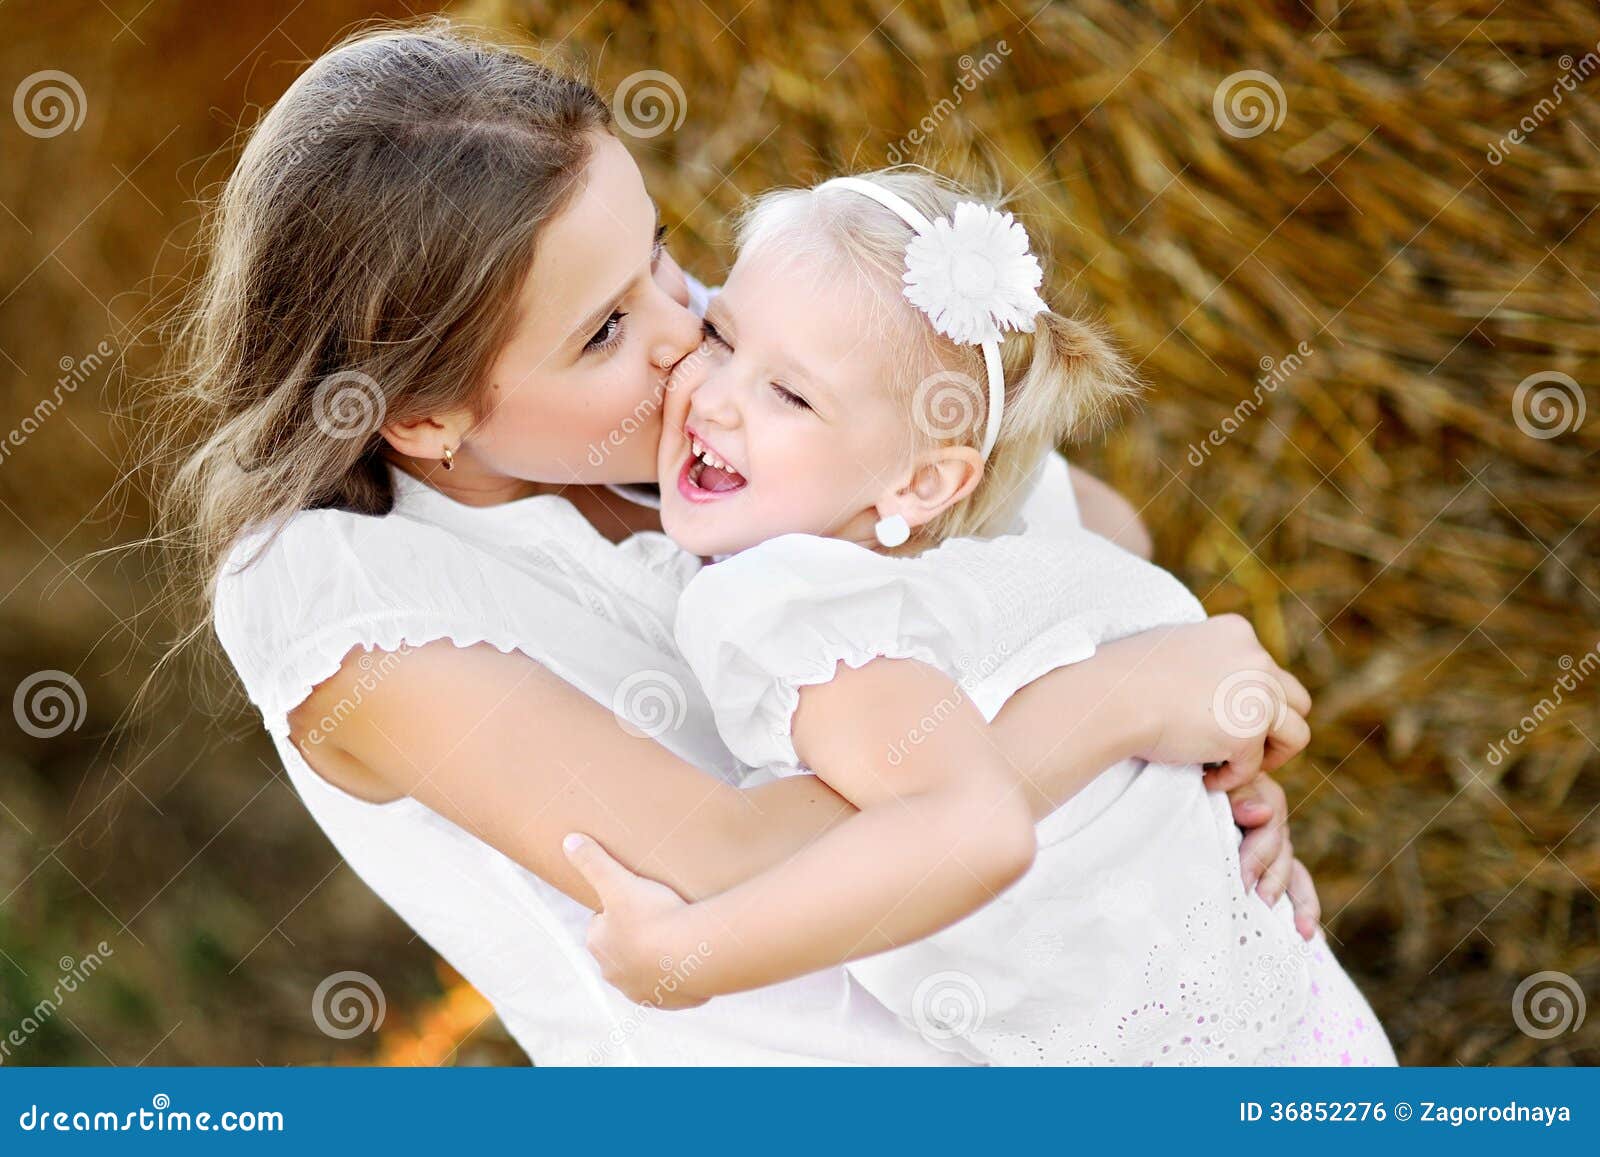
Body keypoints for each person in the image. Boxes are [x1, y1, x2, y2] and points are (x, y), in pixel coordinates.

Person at [163, 22, 1316, 1064]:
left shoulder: (713, 369)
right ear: (420, 415)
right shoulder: (343, 599)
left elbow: (1084, 524)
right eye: (607, 326)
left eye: (659, 252)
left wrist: (1168, 801)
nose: (682, 333)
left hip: (1091, 1019)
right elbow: (725, 856)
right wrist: (1117, 705)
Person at [563, 171, 1396, 1065]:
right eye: (721, 336)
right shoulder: (1033, 576)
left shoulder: (783, 603)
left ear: (921, 483)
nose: (714, 397)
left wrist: (686, 961)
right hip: (1312, 1023)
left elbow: (968, 825)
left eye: (791, 395)